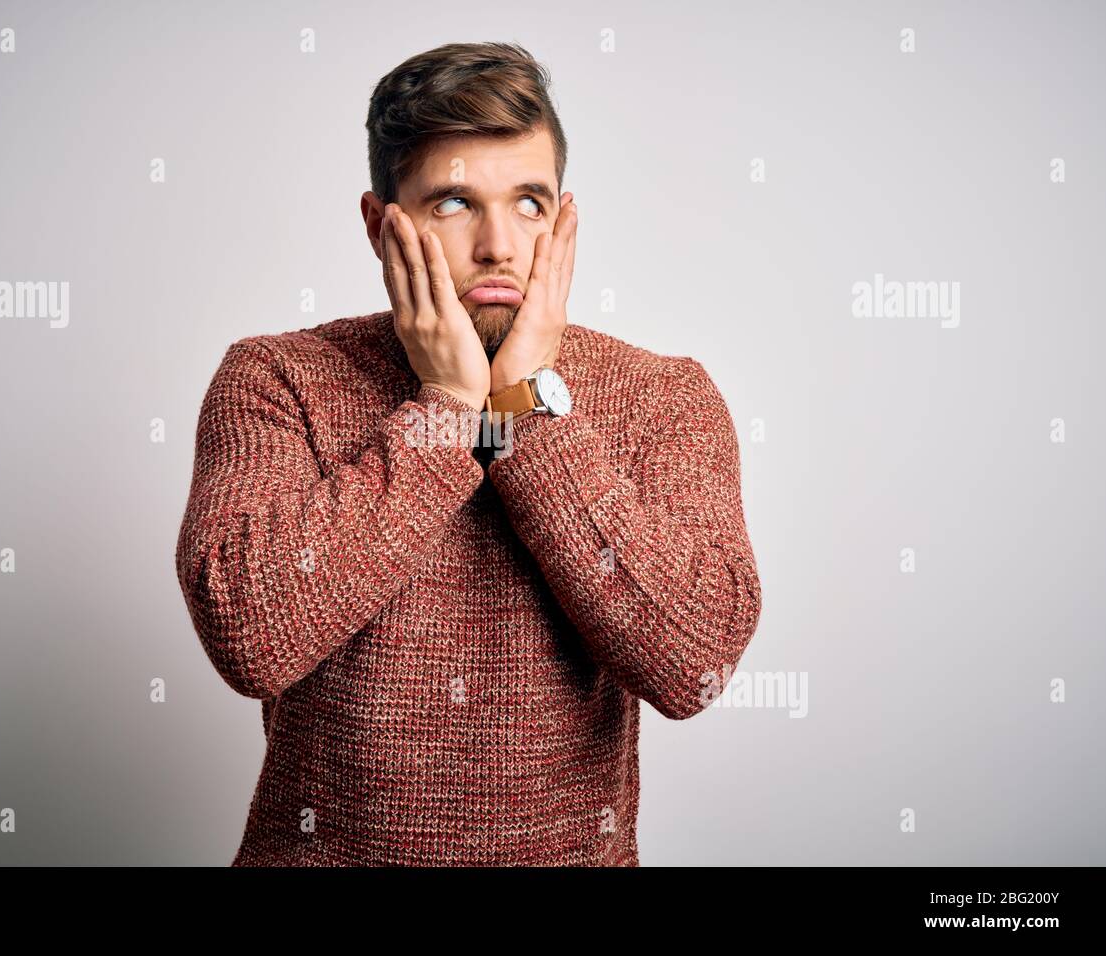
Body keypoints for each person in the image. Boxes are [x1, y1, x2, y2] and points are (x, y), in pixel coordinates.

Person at [175, 41, 763, 866]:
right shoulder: (277, 378)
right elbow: (252, 635)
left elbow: (692, 661)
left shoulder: (662, 395)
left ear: (560, 219)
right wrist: (448, 409)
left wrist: (527, 408)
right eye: (454, 203)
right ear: (384, 227)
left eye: (528, 202)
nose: (498, 245)